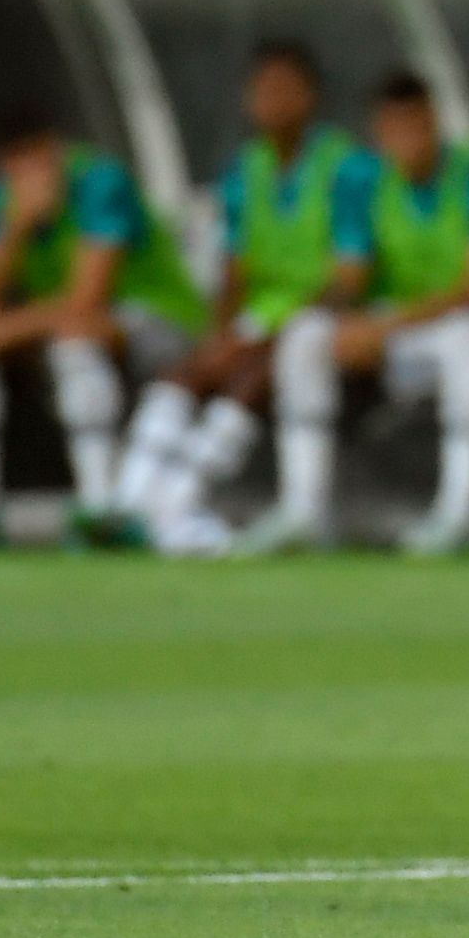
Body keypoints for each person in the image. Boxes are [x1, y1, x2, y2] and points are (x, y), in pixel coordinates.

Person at [111, 41, 359, 555]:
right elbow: (234, 268)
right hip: (258, 321)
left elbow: (350, 275)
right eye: (262, 91)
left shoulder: (345, 166)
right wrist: (221, 335)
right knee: (188, 372)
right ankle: (130, 503)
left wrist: (265, 333)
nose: (272, 102)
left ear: (311, 98)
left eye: (284, 91)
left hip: (322, 321)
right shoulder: (245, 169)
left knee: (255, 374)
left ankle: (179, 505)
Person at [270, 71, 469, 556]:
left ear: (434, 121)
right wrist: (337, 318)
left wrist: (383, 326)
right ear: (378, 131)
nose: (406, 140)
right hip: (403, 334)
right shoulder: (361, 178)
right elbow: (350, 274)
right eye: (393, 128)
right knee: (304, 335)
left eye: (415, 125)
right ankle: (303, 510)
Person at [0, 105, 208, 547]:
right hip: (65, 324)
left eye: (38, 157)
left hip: (158, 320)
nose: (29, 173)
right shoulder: (1, 199)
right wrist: (15, 230)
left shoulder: (100, 182)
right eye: (16, 163)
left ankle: (100, 506)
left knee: (73, 340)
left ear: (56, 150)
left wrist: (0, 331)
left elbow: (87, 300)